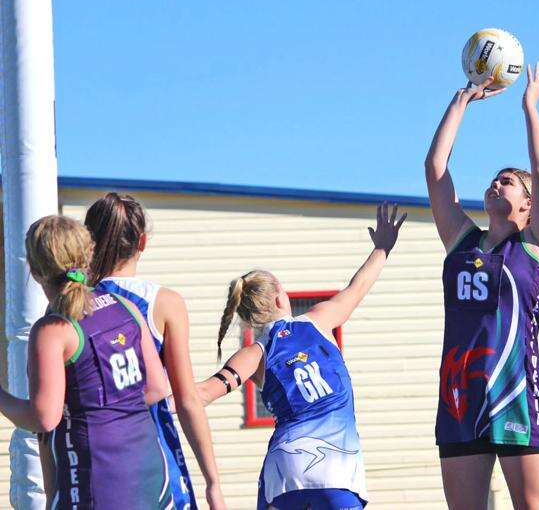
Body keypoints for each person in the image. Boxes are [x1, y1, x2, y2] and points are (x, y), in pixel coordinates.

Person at [197, 203, 406, 509]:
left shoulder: (254, 354)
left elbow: (202, 393)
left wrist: (147, 397)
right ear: (281, 295)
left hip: (286, 467)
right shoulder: (318, 320)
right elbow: (358, 286)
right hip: (337, 465)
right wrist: (382, 247)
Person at [424, 64, 539, 510]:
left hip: (518, 393)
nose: (495, 183)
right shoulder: (462, 241)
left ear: (527, 203)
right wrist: (460, 101)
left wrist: (529, 107)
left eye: (507, 181)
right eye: (493, 179)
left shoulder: (537, 247)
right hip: (461, 394)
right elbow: (436, 168)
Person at [0, 215, 173, 509]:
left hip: (97, 481)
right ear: (88, 254)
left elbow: (43, 418)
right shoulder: (125, 307)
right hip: (151, 473)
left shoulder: (53, 330)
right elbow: (157, 387)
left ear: (34, 268)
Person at [84, 192, 225, 509]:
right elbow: (187, 398)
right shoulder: (163, 303)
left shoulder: (72, 305)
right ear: (142, 243)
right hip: (155, 458)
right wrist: (213, 482)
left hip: (95, 464)